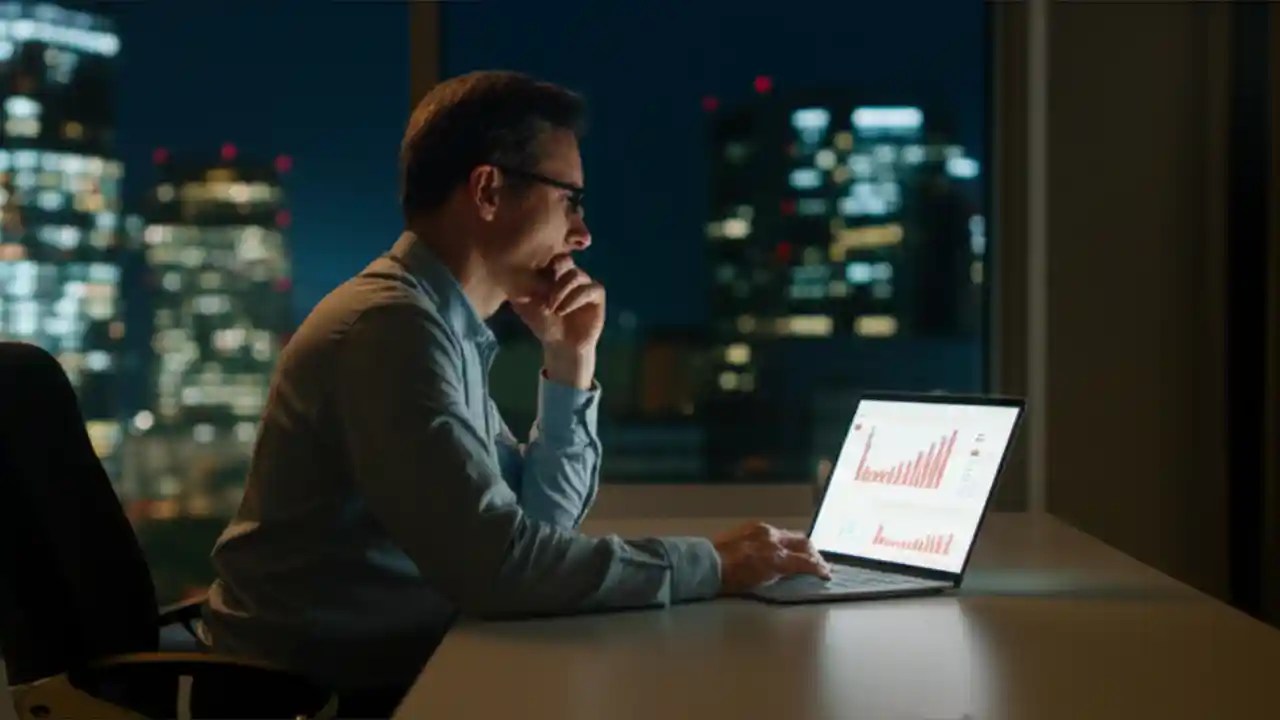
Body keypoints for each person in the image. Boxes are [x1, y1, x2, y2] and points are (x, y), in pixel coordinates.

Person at [199, 70, 831, 716]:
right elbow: (500, 570)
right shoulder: (390, 330)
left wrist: (570, 358)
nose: (582, 235)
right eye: (570, 201)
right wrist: (713, 565)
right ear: (489, 190)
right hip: (298, 698)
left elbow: (537, 529)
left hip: (371, 674)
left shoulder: (440, 329)